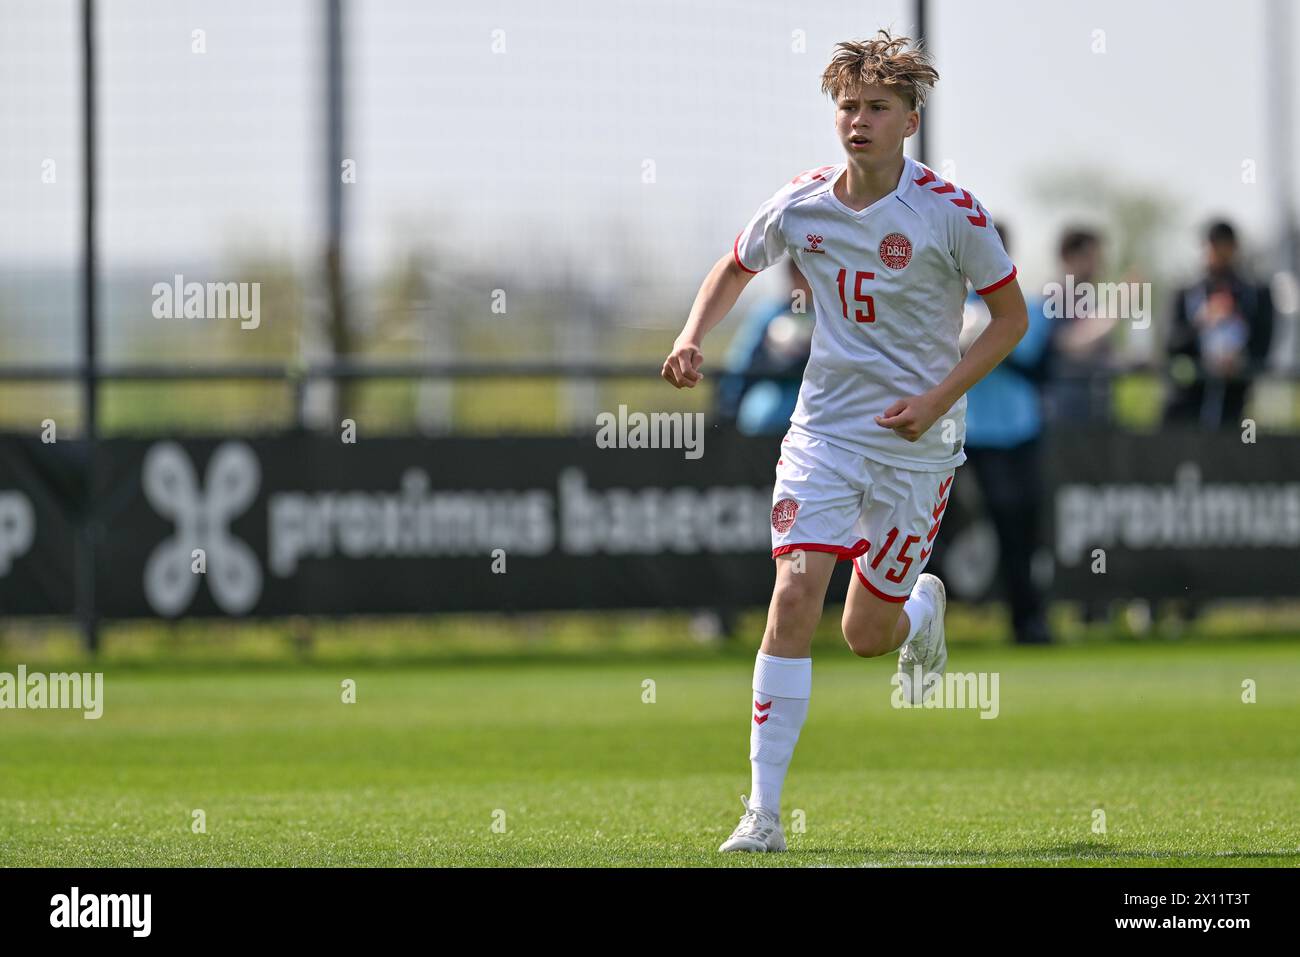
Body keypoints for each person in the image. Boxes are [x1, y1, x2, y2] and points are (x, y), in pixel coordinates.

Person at [660, 30, 1027, 853]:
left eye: (877, 108)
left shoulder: (951, 212)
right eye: (847, 106)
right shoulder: (802, 202)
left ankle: (920, 603)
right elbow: (734, 265)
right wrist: (692, 336)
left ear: (910, 120)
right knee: (793, 596)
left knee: (865, 634)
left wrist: (936, 401)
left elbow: (1011, 321)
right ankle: (762, 812)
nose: (858, 121)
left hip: (916, 446)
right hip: (822, 431)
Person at [960, 223, 1053, 645]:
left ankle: (1028, 621)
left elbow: (1034, 361)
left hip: (1019, 432)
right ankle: (926, 622)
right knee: (957, 530)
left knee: (1023, 531)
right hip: (971, 435)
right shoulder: (953, 306)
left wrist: (989, 336)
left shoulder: (1026, 304)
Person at [1163, 220, 1275, 429]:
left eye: (1224, 246)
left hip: (1235, 407)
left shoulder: (1256, 295)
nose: (1217, 254)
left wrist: (1239, 359)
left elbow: (1263, 346)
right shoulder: (1187, 293)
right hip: (1187, 408)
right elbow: (1171, 344)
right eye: (1213, 246)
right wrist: (1201, 322)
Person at [712, 259, 815, 435]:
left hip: (814, 423)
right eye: (800, 275)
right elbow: (740, 364)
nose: (804, 282)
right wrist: (728, 409)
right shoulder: (769, 314)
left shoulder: (830, 319)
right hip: (767, 425)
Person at [1047, 228, 1115, 424]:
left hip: (1094, 405)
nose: (1098, 265)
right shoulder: (1054, 297)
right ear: (1069, 257)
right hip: (1064, 407)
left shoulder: (1089, 301)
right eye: (1092, 257)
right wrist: (1117, 307)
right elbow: (1068, 345)